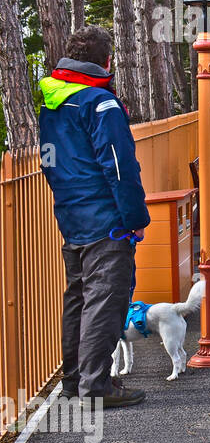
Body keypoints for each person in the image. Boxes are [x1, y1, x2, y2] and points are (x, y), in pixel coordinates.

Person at [37, 26, 150, 408]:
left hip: (71, 215)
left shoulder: (53, 102)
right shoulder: (100, 103)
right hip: (106, 219)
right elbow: (119, 166)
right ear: (105, 61)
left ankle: (73, 382)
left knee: (79, 299)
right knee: (105, 298)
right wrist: (134, 215)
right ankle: (96, 387)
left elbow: (49, 161)